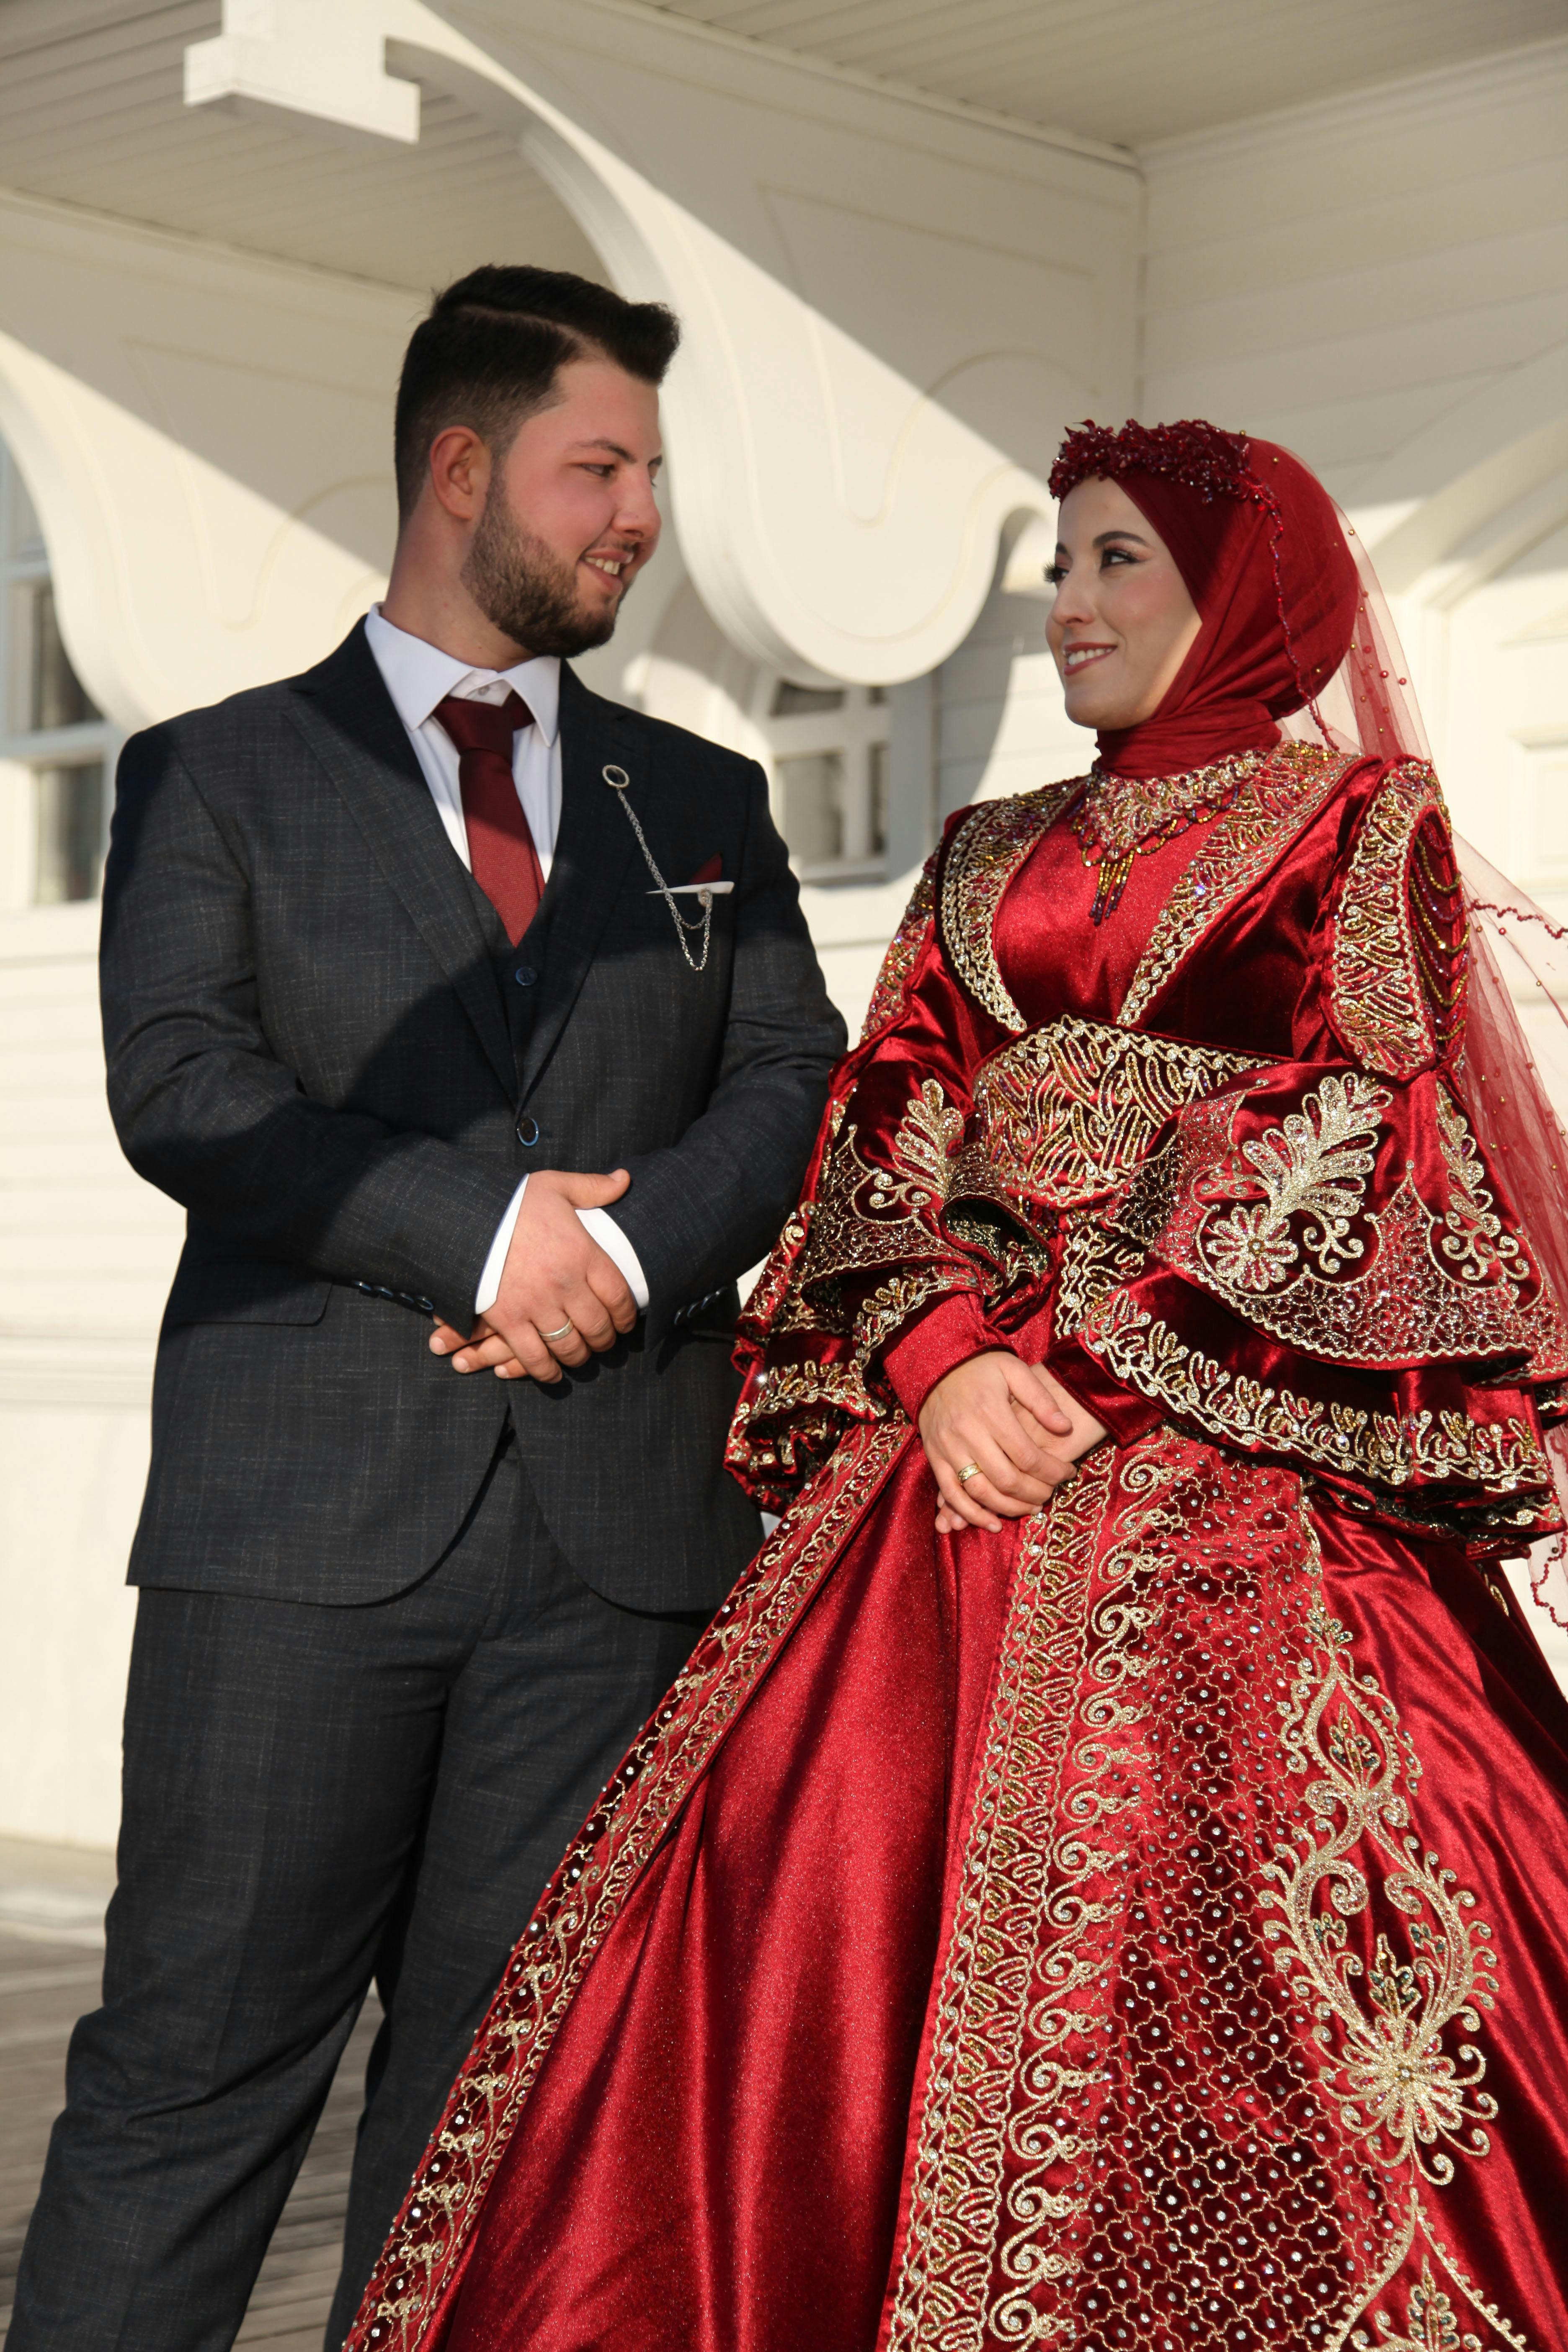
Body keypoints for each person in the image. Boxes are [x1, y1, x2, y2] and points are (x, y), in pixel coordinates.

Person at [346, 418, 1568, 2352]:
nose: (1064, 605)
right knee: (801, 1938)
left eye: (1115, 567)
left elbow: (1362, 1136)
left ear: (1242, 593)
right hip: (943, 1478)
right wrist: (932, 1358)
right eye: (1058, 565)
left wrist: (1071, 1358)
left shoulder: (1357, 833)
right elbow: (882, 1128)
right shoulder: (985, 851)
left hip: (1229, 1487)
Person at [8, 265, 845, 2351]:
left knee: (519, 2115)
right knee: (189, 2092)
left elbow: (794, 1083)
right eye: (603, 466)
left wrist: (627, 1253)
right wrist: (494, 1242)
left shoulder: (705, 804)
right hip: (299, 1549)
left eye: (651, 469)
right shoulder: (217, 773)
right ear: (460, 470)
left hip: (619, 1559)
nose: (643, 512)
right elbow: (185, 1089)